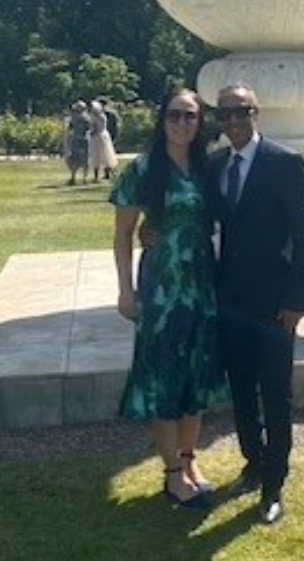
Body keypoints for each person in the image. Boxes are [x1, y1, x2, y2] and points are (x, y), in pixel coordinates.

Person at [206, 84, 304, 526]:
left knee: (276, 395)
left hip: (274, 305)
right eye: (225, 113)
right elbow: (198, 220)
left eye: (241, 111)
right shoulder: (214, 166)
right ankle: (253, 461)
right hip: (230, 301)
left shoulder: (284, 162)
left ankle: (274, 485)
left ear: (257, 113)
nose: (232, 120)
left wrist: (295, 302)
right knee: (241, 391)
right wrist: (152, 232)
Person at [111, 89, 228, 508]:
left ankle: (190, 461)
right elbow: (124, 234)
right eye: (175, 115)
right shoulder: (142, 170)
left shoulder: (206, 168)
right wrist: (126, 290)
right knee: (164, 376)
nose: (182, 123)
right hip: (162, 288)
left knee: (195, 374)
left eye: (191, 116)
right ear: (162, 120)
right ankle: (173, 474)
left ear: (200, 123)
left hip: (201, 284)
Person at [88, 100, 118, 183]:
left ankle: (106, 174)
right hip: (100, 136)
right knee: (100, 155)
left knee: (101, 155)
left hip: (99, 137)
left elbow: (96, 128)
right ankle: (102, 175)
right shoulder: (98, 116)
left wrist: (91, 133)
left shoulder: (99, 117)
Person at [63, 101, 91, 185]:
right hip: (84, 140)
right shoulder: (87, 118)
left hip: (76, 139)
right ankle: (84, 178)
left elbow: (70, 129)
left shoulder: (74, 118)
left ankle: (73, 177)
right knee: (85, 159)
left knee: (75, 159)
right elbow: (89, 129)